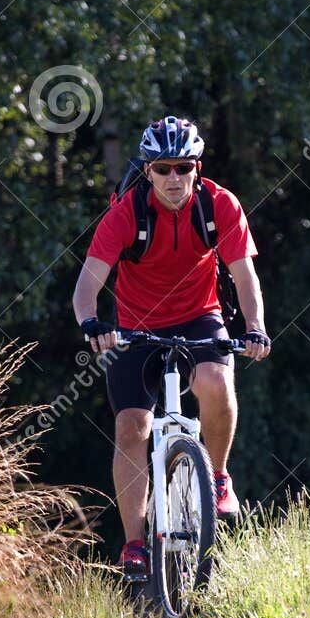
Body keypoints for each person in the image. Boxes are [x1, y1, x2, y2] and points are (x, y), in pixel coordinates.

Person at [72, 115, 271, 576]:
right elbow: (87, 286)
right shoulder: (125, 214)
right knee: (132, 428)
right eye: (163, 168)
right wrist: (91, 323)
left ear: (197, 167)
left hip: (201, 315)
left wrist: (256, 326)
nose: (174, 178)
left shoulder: (219, 205)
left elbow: (244, 275)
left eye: (183, 167)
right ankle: (135, 544)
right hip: (135, 326)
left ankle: (217, 478)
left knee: (217, 381)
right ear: (147, 170)